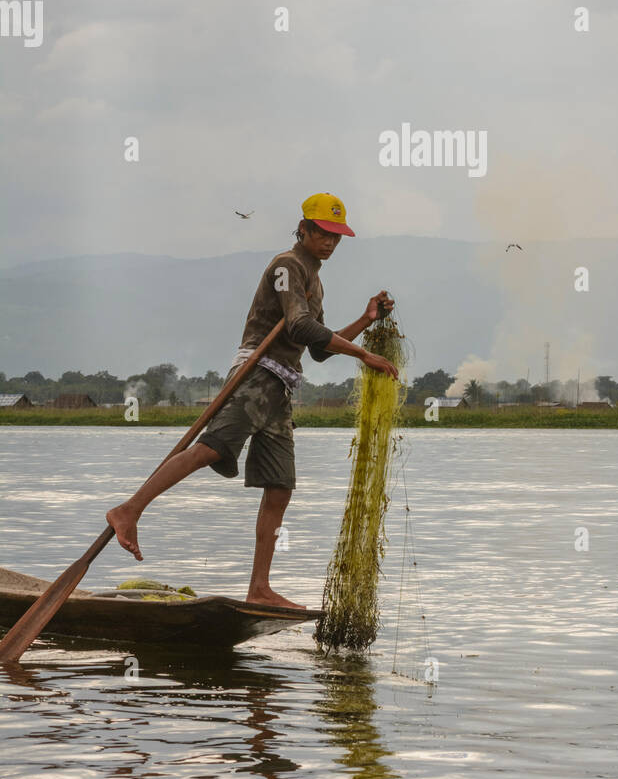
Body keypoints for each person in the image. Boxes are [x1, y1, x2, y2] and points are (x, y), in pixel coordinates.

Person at [106, 193, 399, 610]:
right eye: (324, 233)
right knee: (212, 448)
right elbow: (298, 325)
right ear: (304, 229)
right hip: (256, 373)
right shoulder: (287, 266)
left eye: (337, 236)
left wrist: (366, 321)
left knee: (280, 484)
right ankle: (129, 509)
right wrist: (364, 355)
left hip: (281, 388)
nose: (331, 242)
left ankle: (259, 587)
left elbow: (316, 348)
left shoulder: (314, 280)